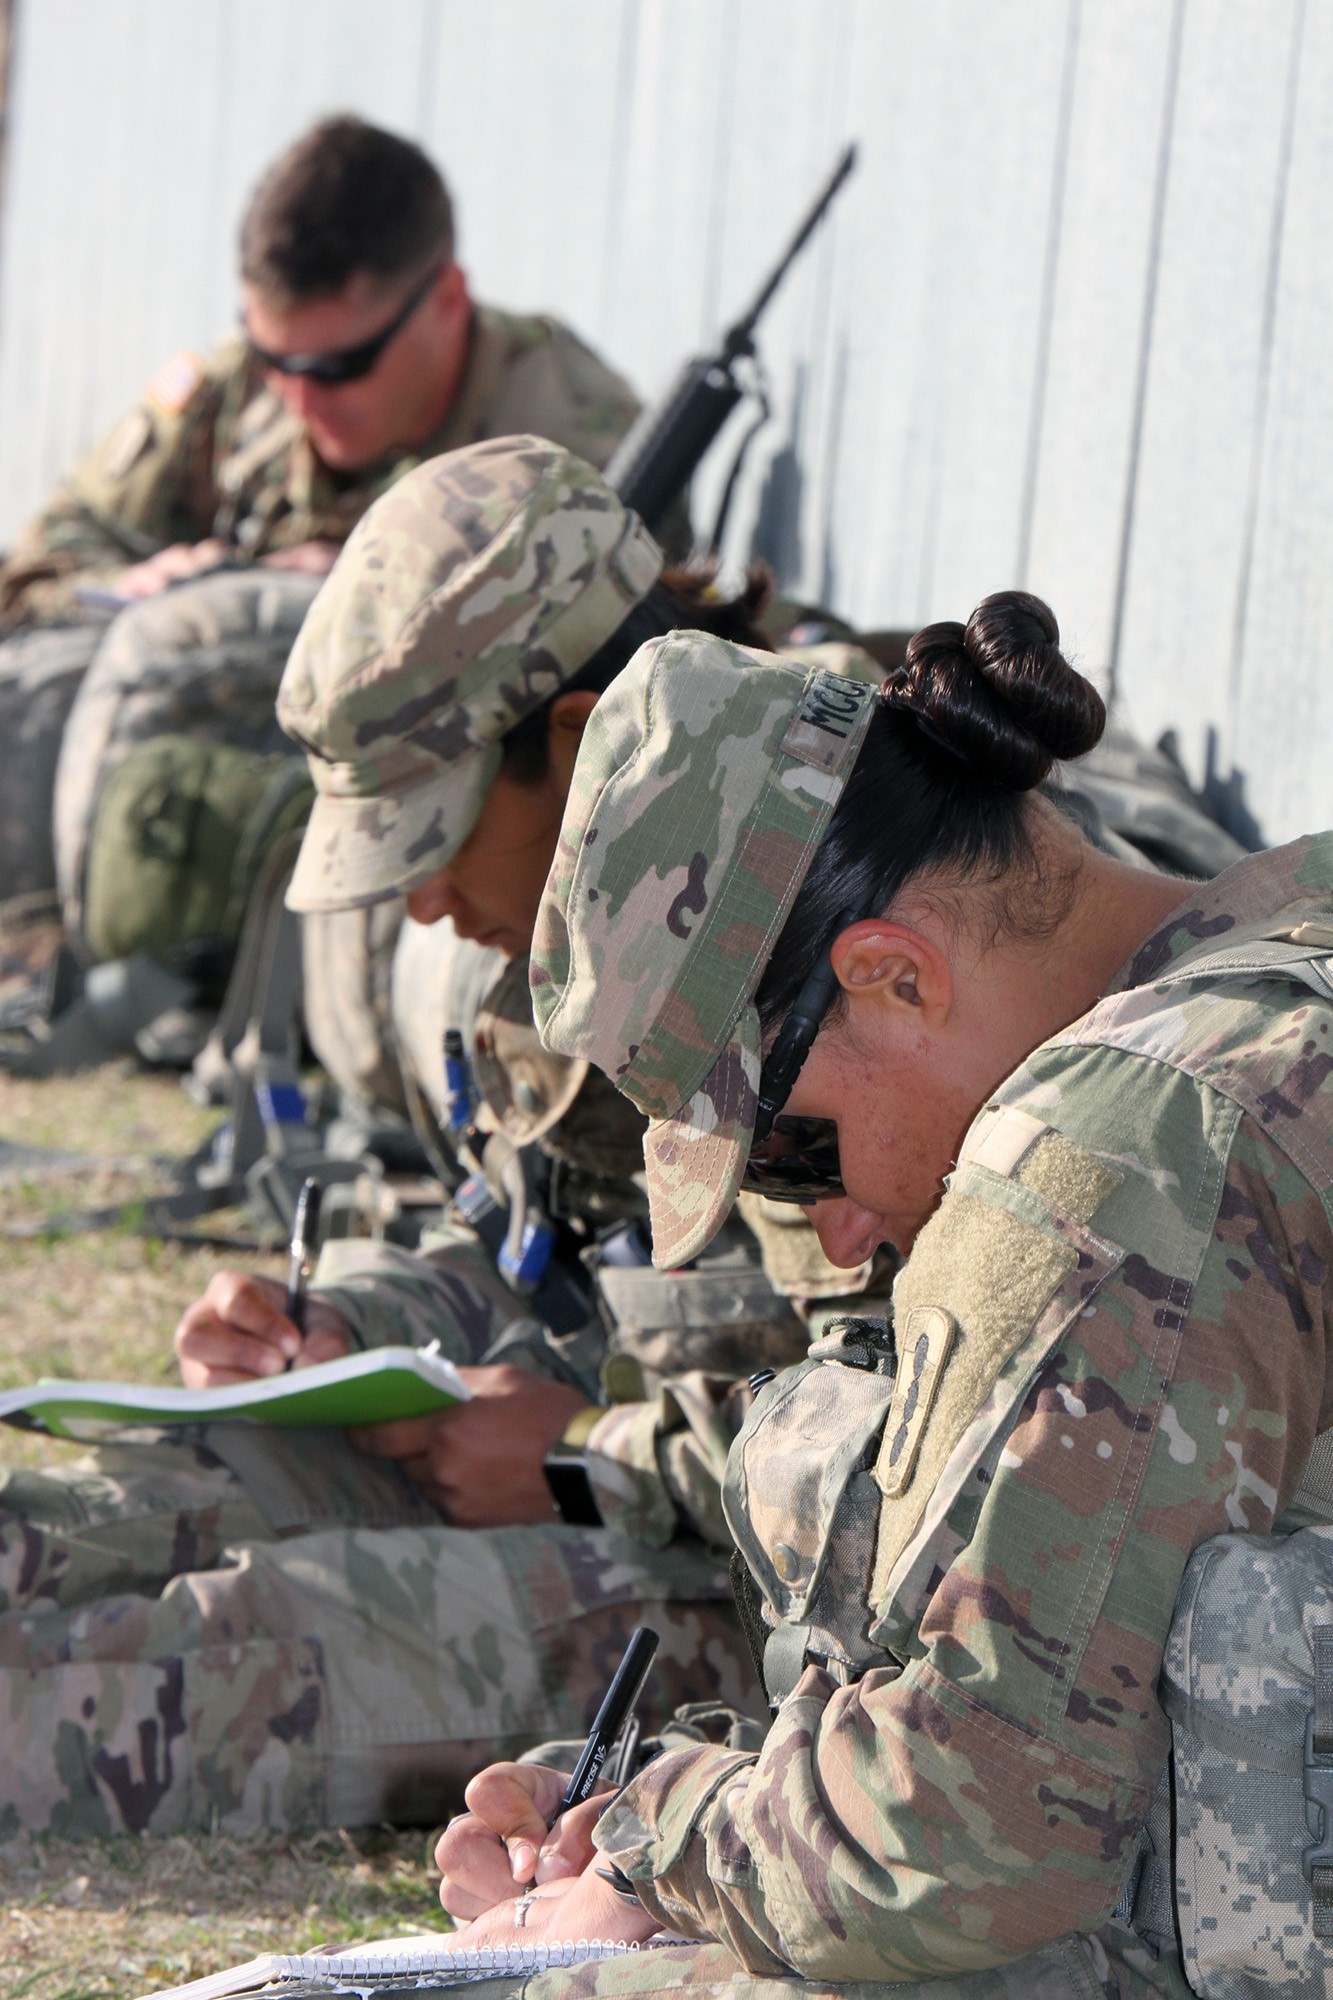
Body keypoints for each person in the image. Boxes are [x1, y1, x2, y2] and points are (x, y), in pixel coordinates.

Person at [432, 596, 1333, 1998]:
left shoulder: (1124, 1138)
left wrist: (648, 1851)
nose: (842, 1225)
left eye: (794, 1153)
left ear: (892, 974)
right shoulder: (1291, 934)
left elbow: (962, 1850)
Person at [0, 438, 881, 1840]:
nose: (417, 906)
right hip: (606, 1454)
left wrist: (588, 1453)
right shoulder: (582, 929)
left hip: (769, 1593)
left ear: (587, 741)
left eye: (437, 831)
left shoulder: (862, 948)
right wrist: (352, 1325)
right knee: (125, 1497)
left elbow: (941, 1467)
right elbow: (552, 1256)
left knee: (212, 1664)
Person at [0, 112, 647, 921]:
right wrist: (132, 583)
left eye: (339, 367)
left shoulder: (567, 442)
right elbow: (40, 561)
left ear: (447, 299)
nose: (300, 399)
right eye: (276, 361)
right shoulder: (240, 389)